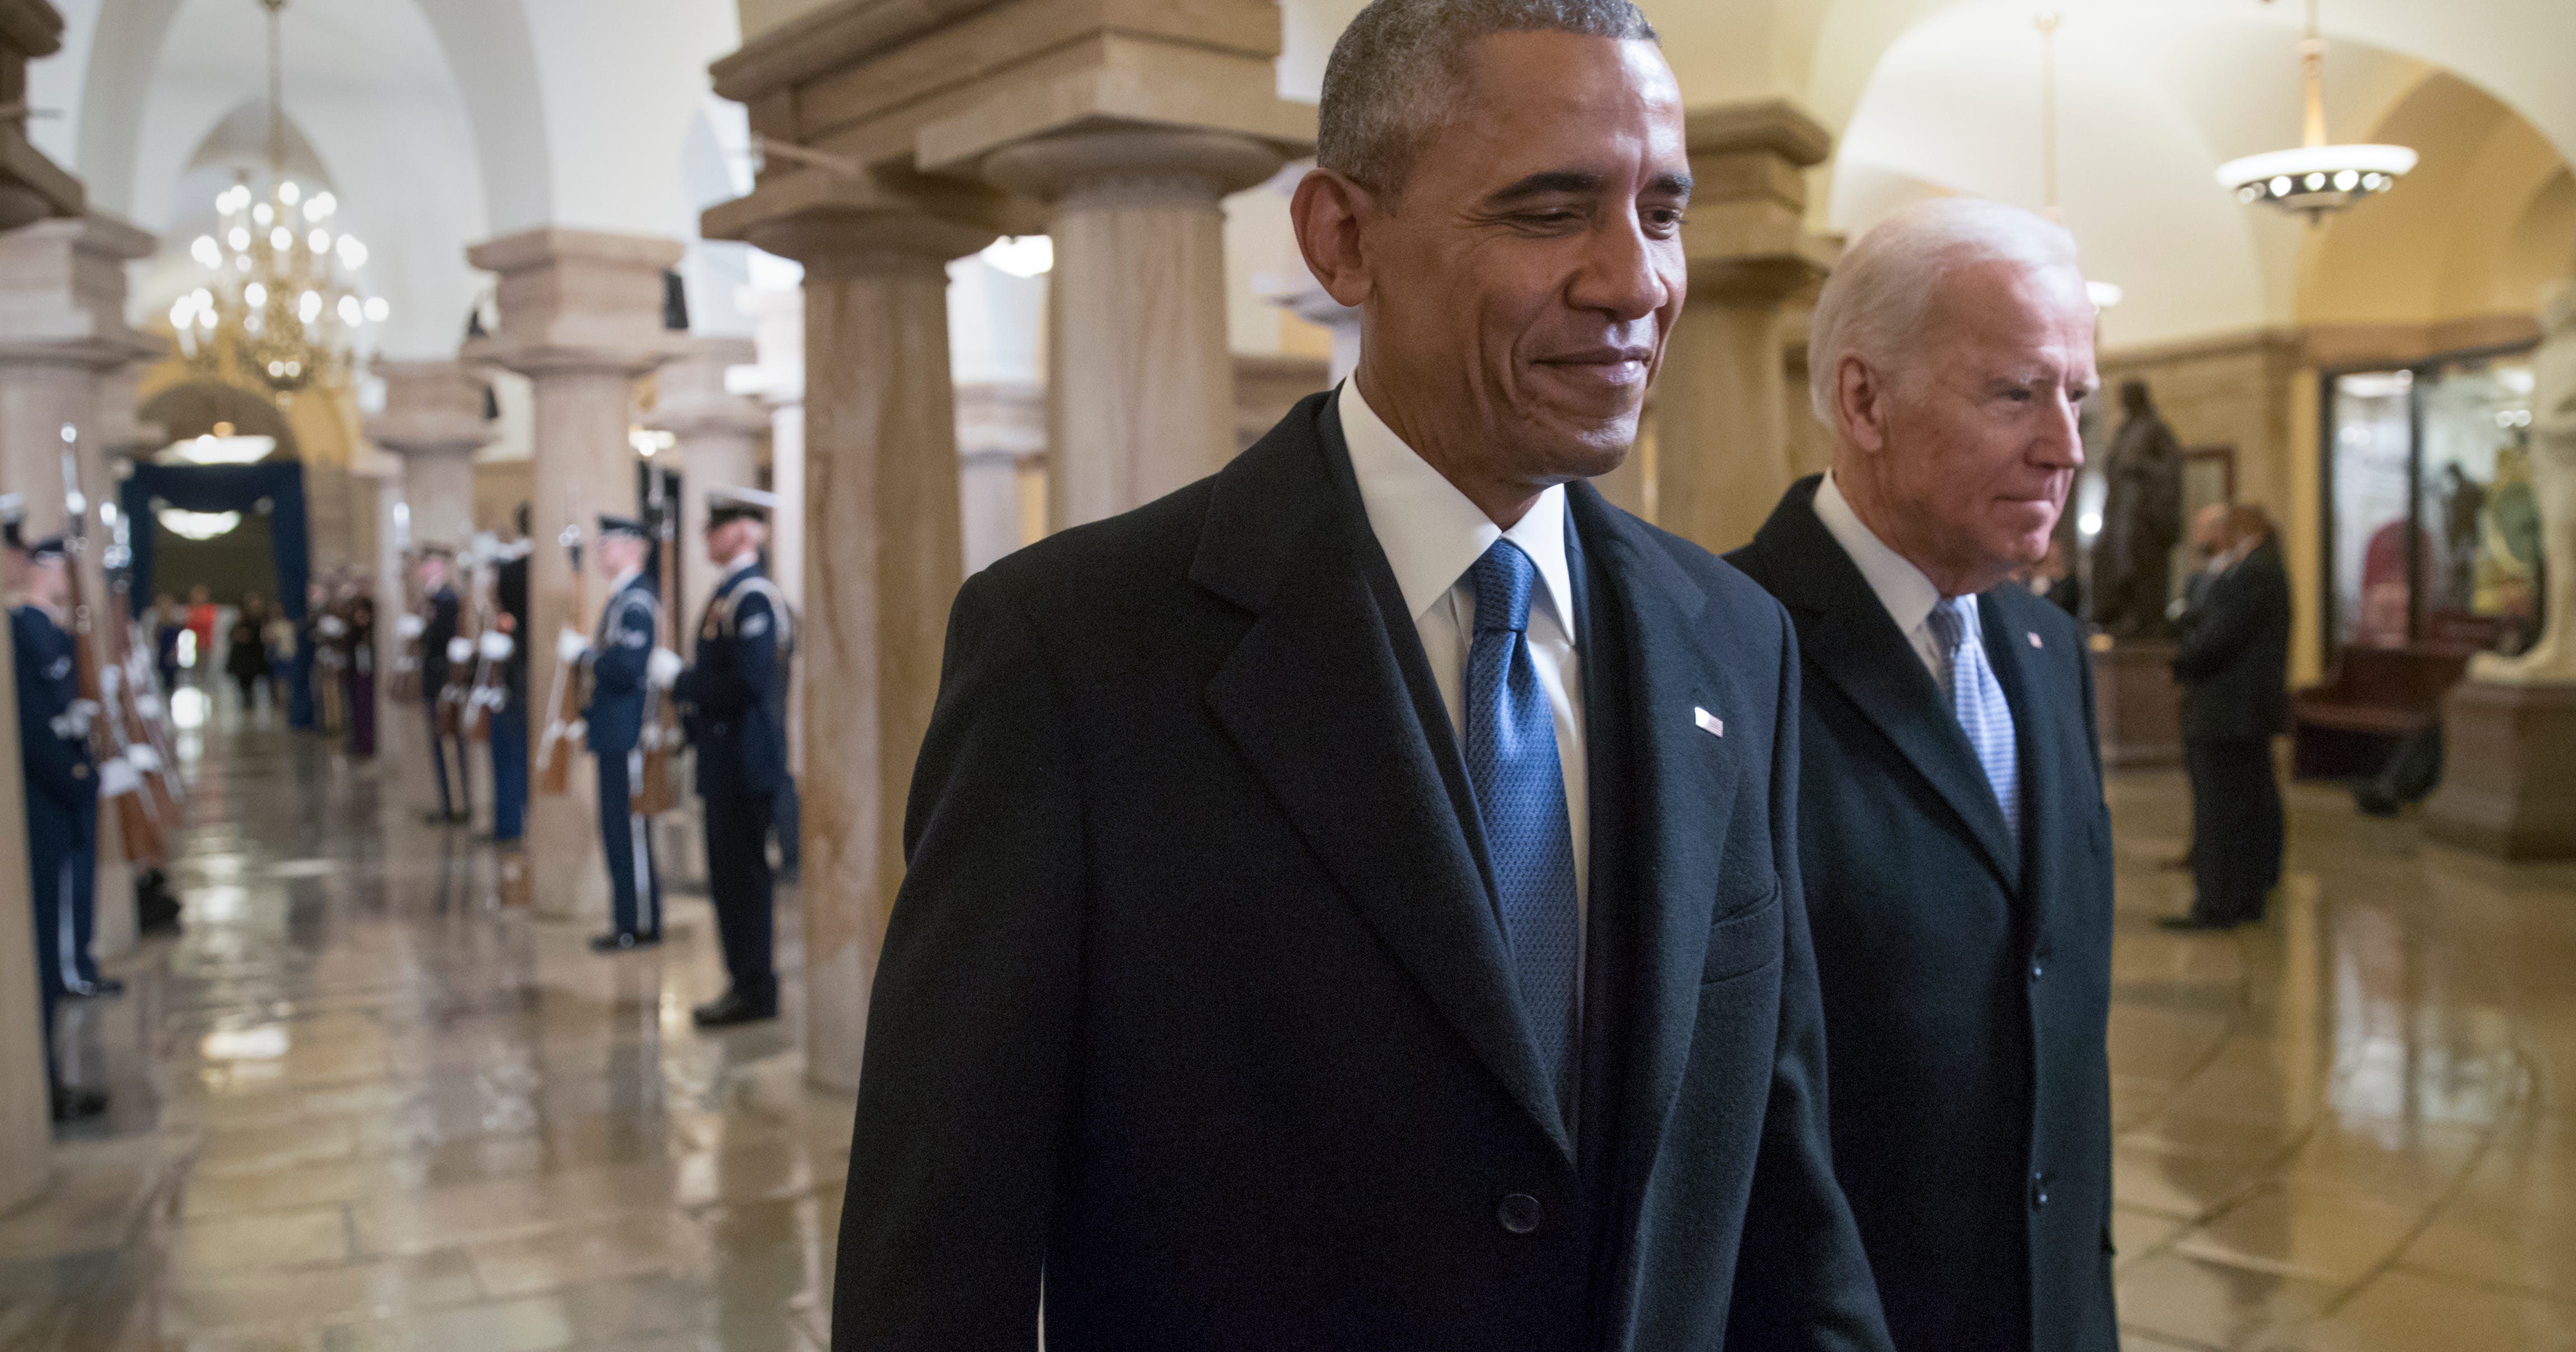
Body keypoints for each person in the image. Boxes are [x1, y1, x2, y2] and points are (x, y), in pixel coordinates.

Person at [830, 4, 1892, 1348]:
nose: (1635, 282)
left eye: (1663, 212)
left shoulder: (1733, 641)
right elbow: (938, 1264)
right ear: (1342, 238)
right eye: (1550, 211)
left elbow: (1780, 1201)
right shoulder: (1076, 653)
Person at [1726, 198, 2117, 1351]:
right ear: (1862, 400)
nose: (2065, 447)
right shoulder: (1718, 648)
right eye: (2015, 393)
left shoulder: (2045, 654)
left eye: (2074, 397)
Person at [673, 487, 790, 1027]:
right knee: (729, 879)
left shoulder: (753, 597)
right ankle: (743, 979)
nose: (707, 535)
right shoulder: (730, 593)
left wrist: (681, 681)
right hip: (727, 760)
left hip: (747, 760)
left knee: (743, 880)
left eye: (718, 526)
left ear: (746, 531)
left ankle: (754, 986)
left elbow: (748, 681)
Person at [14, 535, 112, 1121]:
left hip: (64, 781)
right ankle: (44, 1085)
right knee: (50, 931)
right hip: (48, 790)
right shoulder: (23, 626)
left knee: (69, 899)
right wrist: (79, 777)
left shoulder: (45, 626)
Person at [2163, 504, 2292, 930]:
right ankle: (2242, 894)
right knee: (2241, 802)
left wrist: (2181, 663)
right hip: (2238, 709)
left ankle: (2217, 902)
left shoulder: (2255, 571)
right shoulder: (2258, 568)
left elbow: (2223, 635)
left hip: (2230, 709)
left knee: (2222, 807)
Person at [560, 514, 664, 951]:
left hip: (629, 731)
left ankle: (638, 921)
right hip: (612, 731)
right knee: (616, 830)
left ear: (632, 546)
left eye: (607, 544)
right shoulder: (622, 596)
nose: (601, 551)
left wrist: (585, 655)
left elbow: (626, 666)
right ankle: (626, 917)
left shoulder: (636, 600)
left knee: (630, 832)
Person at [416, 550, 470, 824]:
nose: (427, 569)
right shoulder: (433, 597)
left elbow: (443, 639)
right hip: (434, 678)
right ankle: (449, 803)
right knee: (439, 744)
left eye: (432, 563)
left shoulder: (446, 598)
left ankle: (457, 805)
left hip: (443, 679)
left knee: (449, 742)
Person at [486, 521, 531, 845]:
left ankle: (512, 824)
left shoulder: (515, 571)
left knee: (513, 754)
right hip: (516, 673)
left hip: (520, 674)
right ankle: (511, 822)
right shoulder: (515, 569)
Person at [226, 592, 270, 713]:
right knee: (244, 682)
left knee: (254, 680)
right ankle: (247, 702)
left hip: (256, 654)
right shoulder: (241, 620)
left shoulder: (263, 619)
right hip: (243, 656)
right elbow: (232, 635)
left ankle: (253, 702)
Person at [185, 584, 217, 688]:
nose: (198, 597)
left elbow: (205, 623)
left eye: (201, 595)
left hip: (205, 647)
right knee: (190, 673)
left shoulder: (209, 610)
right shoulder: (188, 610)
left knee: (204, 673)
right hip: (189, 647)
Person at [152, 593, 184, 697]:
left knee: (172, 680)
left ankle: (171, 697)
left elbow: (177, 641)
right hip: (162, 653)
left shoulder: (175, 624)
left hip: (171, 653)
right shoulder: (159, 624)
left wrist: (175, 653)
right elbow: (155, 640)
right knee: (162, 680)